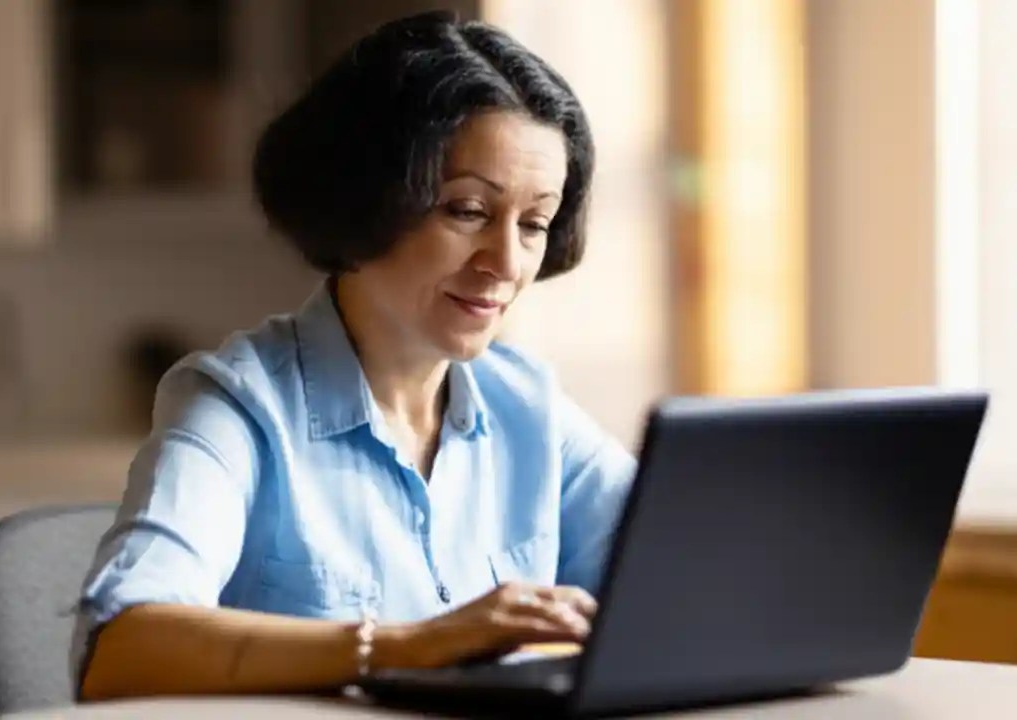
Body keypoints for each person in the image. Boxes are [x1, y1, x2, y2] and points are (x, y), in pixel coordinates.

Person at [74, 10, 634, 700]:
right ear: (369, 198)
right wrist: (413, 645)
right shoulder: (239, 409)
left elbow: (684, 568)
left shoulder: (530, 408)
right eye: (466, 211)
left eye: (535, 223)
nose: (507, 262)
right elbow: (120, 651)